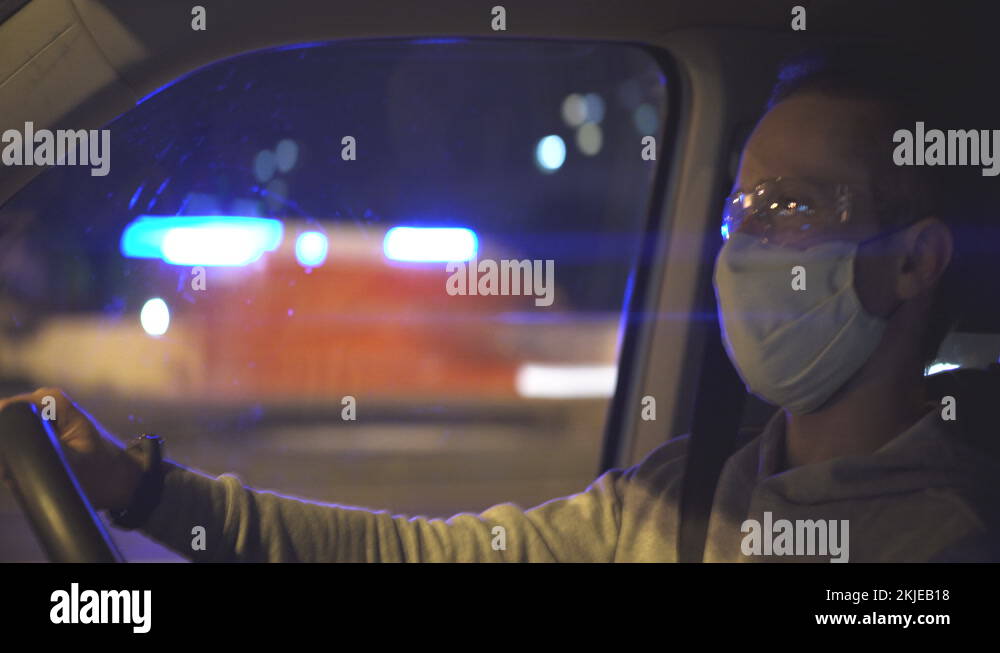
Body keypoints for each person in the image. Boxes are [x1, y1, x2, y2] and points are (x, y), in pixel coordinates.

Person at [2, 47, 999, 562]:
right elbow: (411, 553)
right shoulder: (678, 492)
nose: (741, 243)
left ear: (912, 264)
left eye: (791, 208)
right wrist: (141, 489)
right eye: (741, 207)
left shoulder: (949, 532)